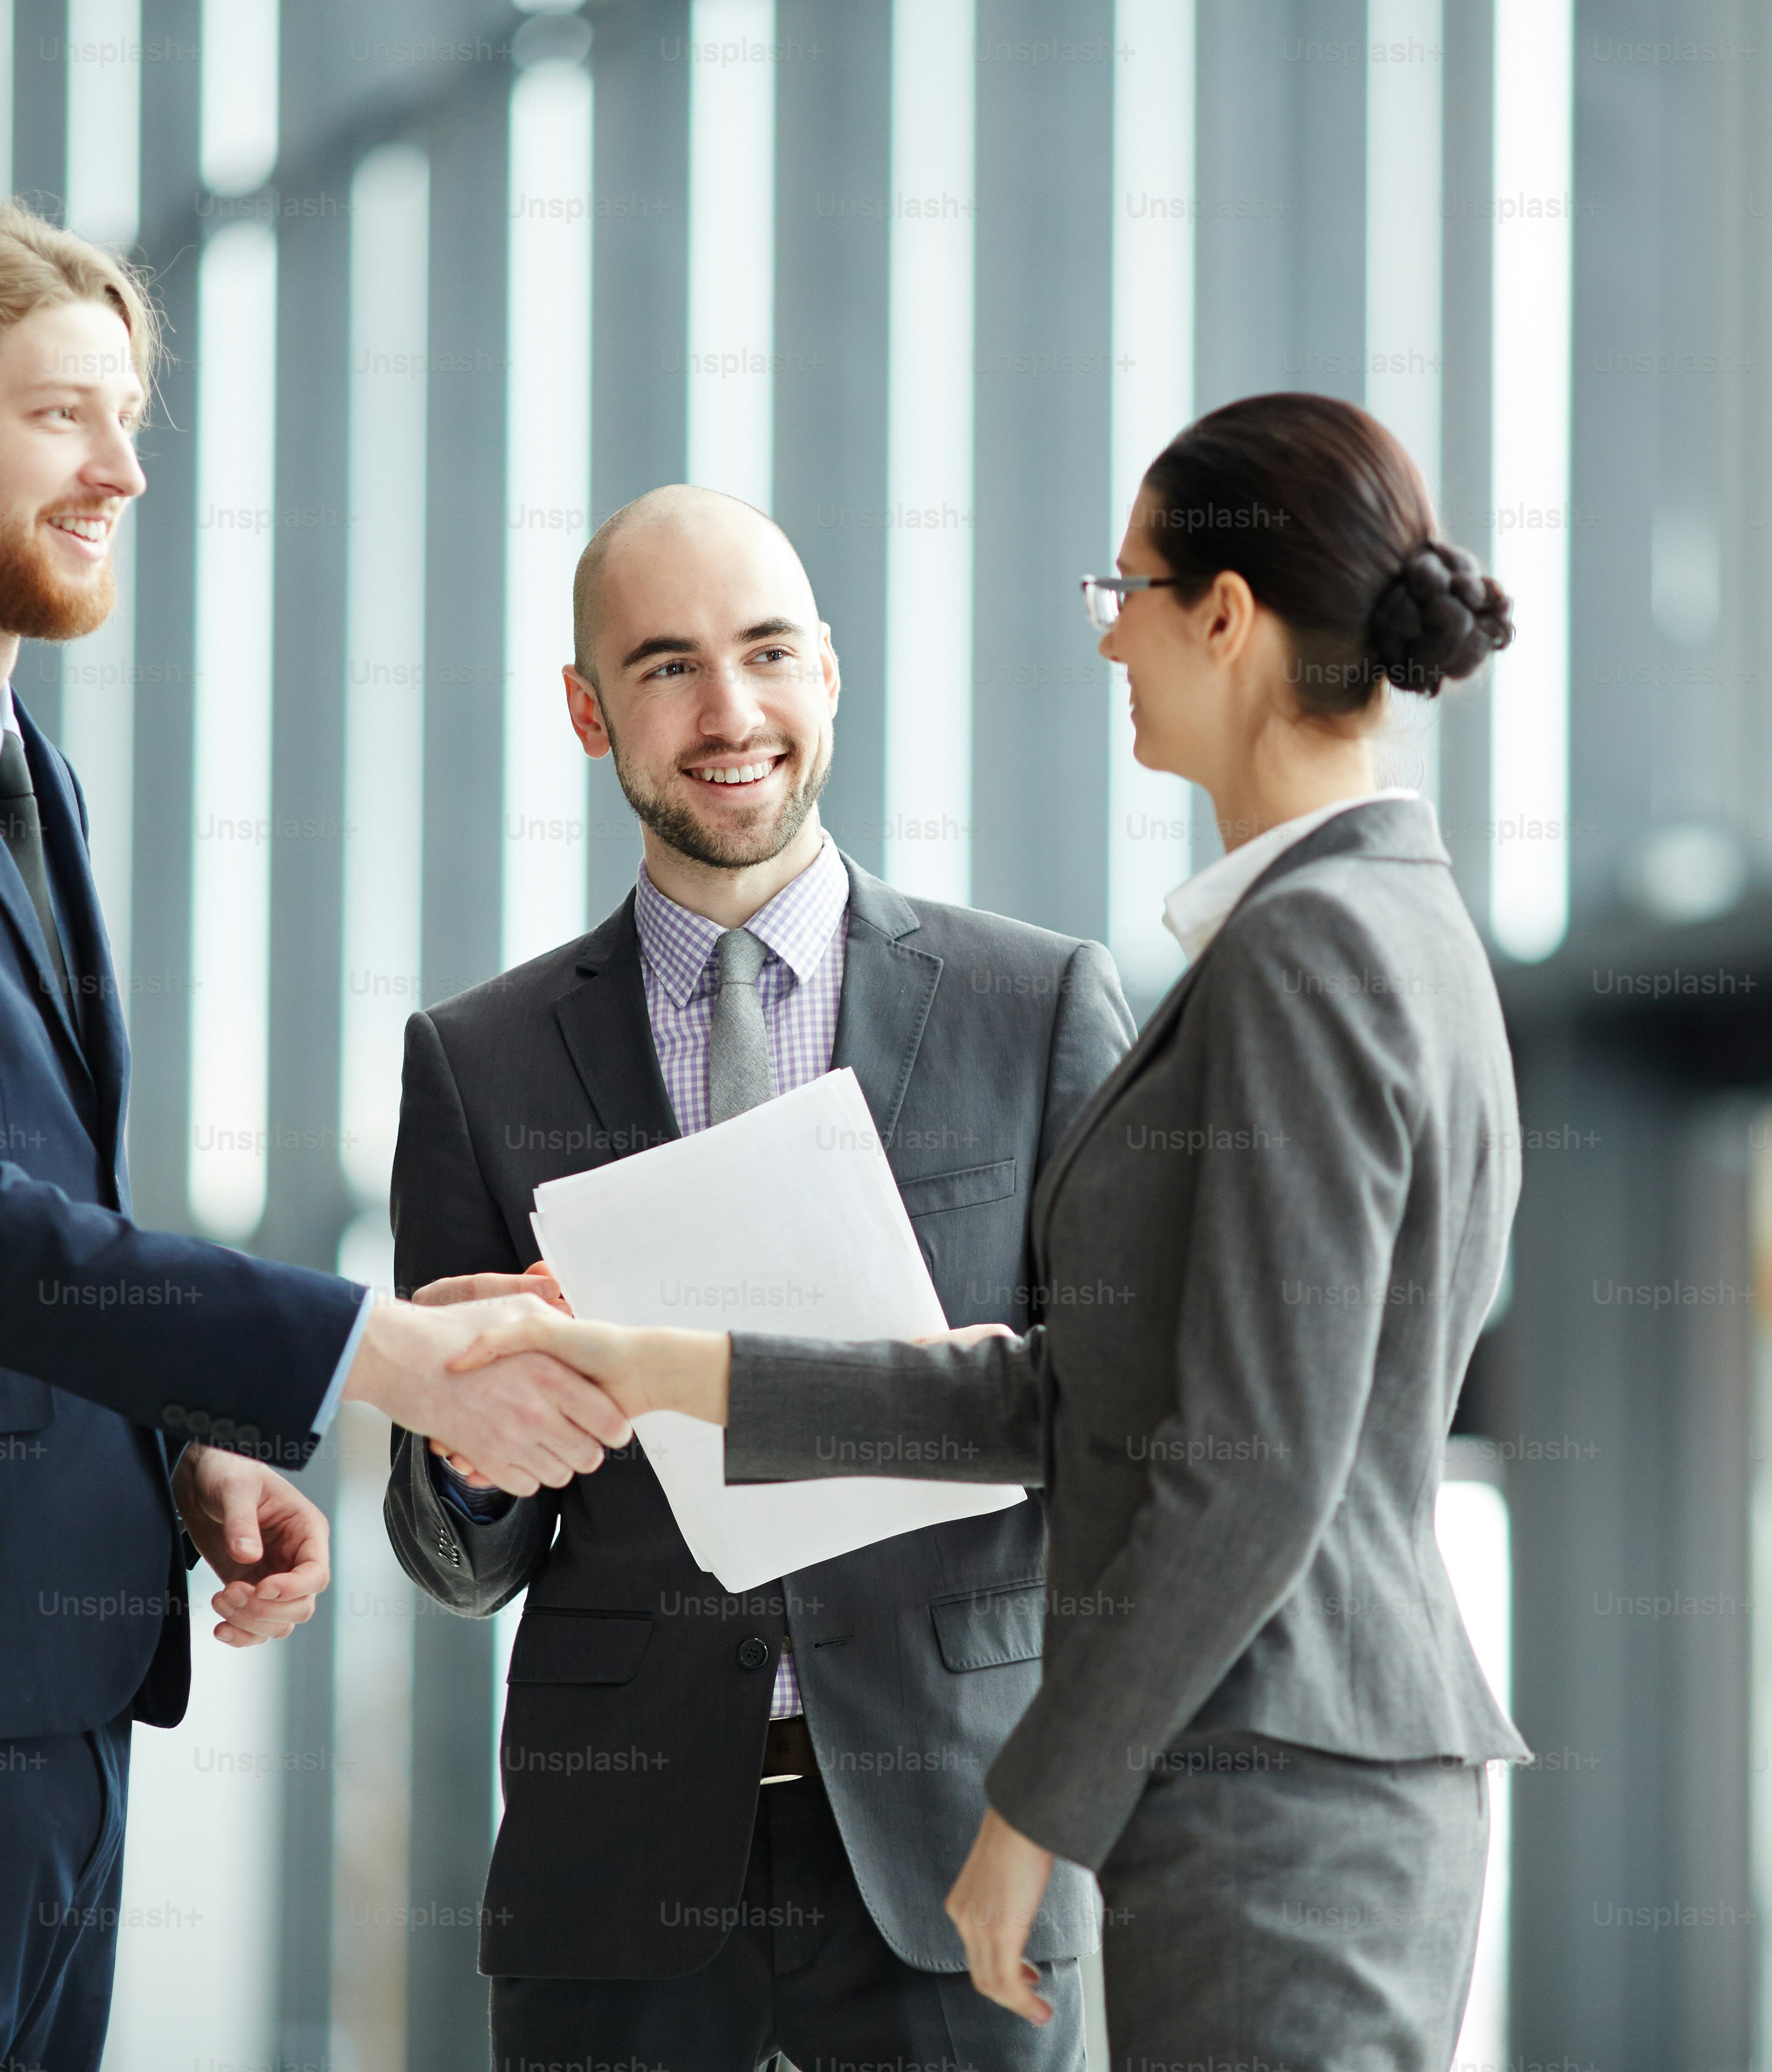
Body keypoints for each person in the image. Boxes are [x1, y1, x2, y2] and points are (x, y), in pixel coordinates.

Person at [0, 197, 626, 2072]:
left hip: (45, 1693)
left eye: (130, 418)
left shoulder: (22, 779)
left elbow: (30, 1207)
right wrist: (372, 1351)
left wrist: (167, 1462)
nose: (126, 472)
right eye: (66, 415)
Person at [452, 393, 1532, 2064]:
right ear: (590, 713)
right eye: (667, 665)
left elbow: (1252, 1459)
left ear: (1225, 618)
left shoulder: (1292, 956)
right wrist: (639, 1363)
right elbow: (1074, 1390)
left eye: (1128, 596)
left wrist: (1037, 1803)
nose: (1111, 648)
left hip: (1254, 1772)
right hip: (1164, 1782)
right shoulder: (1356, 925)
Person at [387, 485, 1132, 2067]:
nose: (730, 714)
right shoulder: (477, 1061)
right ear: (589, 712)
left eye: (767, 654)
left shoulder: (1039, 1004)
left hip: (960, 1847)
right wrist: (467, 1456)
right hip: (620, 1872)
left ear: (831, 676)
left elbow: (1120, 1428)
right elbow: (457, 1557)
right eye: (665, 669)